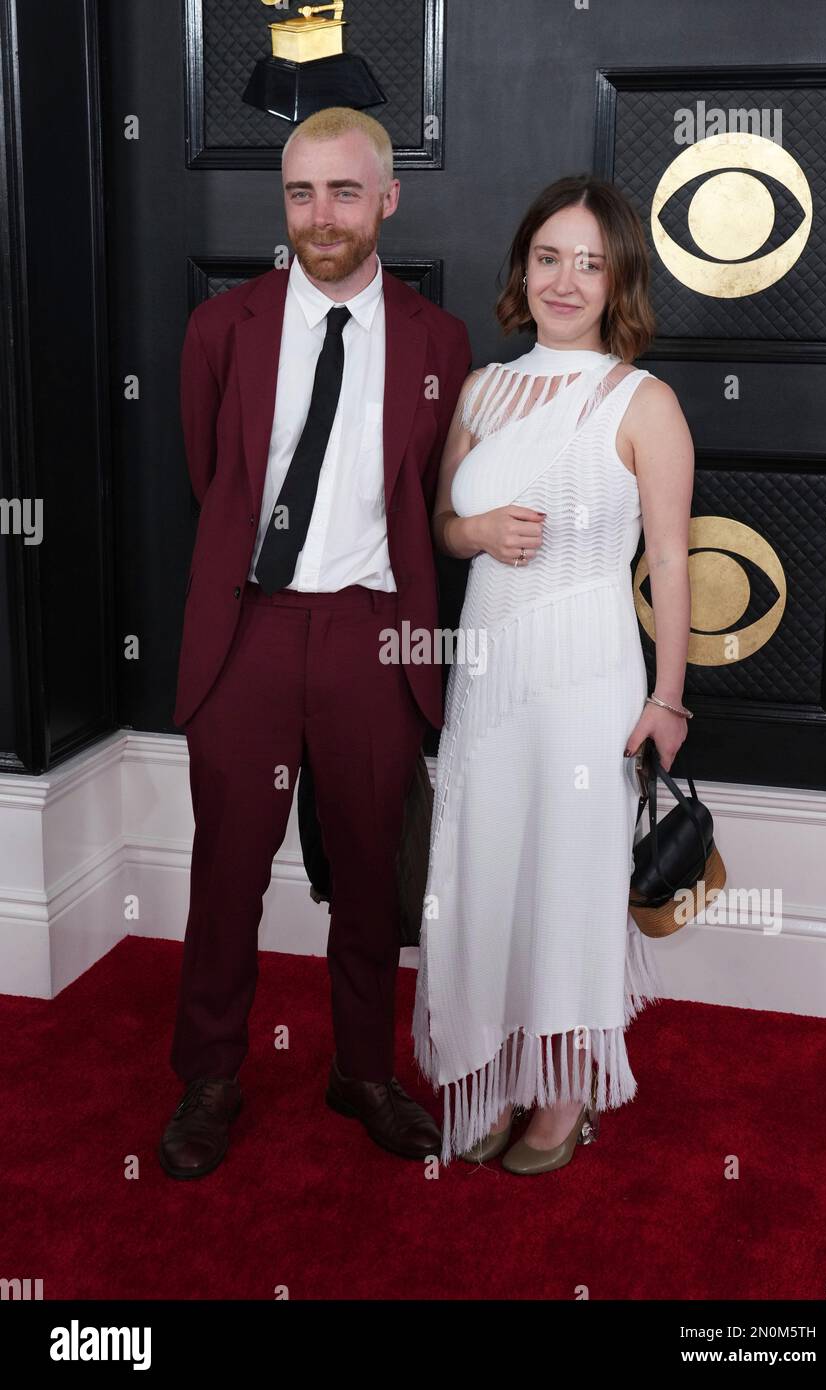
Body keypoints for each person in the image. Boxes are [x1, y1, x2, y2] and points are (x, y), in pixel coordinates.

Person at [160, 107, 471, 1179]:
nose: (321, 215)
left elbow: (429, 496)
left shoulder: (438, 341)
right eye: (301, 193)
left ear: (387, 198)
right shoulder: (222, 329)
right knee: (226, 871)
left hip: (372, 634)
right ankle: (209, 1076)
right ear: (281, 202)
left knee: (372, 876)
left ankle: (361, 1072)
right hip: (247, 629)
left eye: (344, 191)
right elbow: (214, 479)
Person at [412, 174, 694, 1172]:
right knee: (484, 870)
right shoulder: (484, 389)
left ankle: (564, 1092)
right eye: (547, 258)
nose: (565, 282)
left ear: (616, 277)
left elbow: (667, 559)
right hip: (487, 678)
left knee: (569, 876)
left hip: (587, 680)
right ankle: (490, 1071)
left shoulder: (641, 401)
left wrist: (666, 698)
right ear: (521, 267)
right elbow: (444, 527)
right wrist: (476, 530)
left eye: (588, 262)